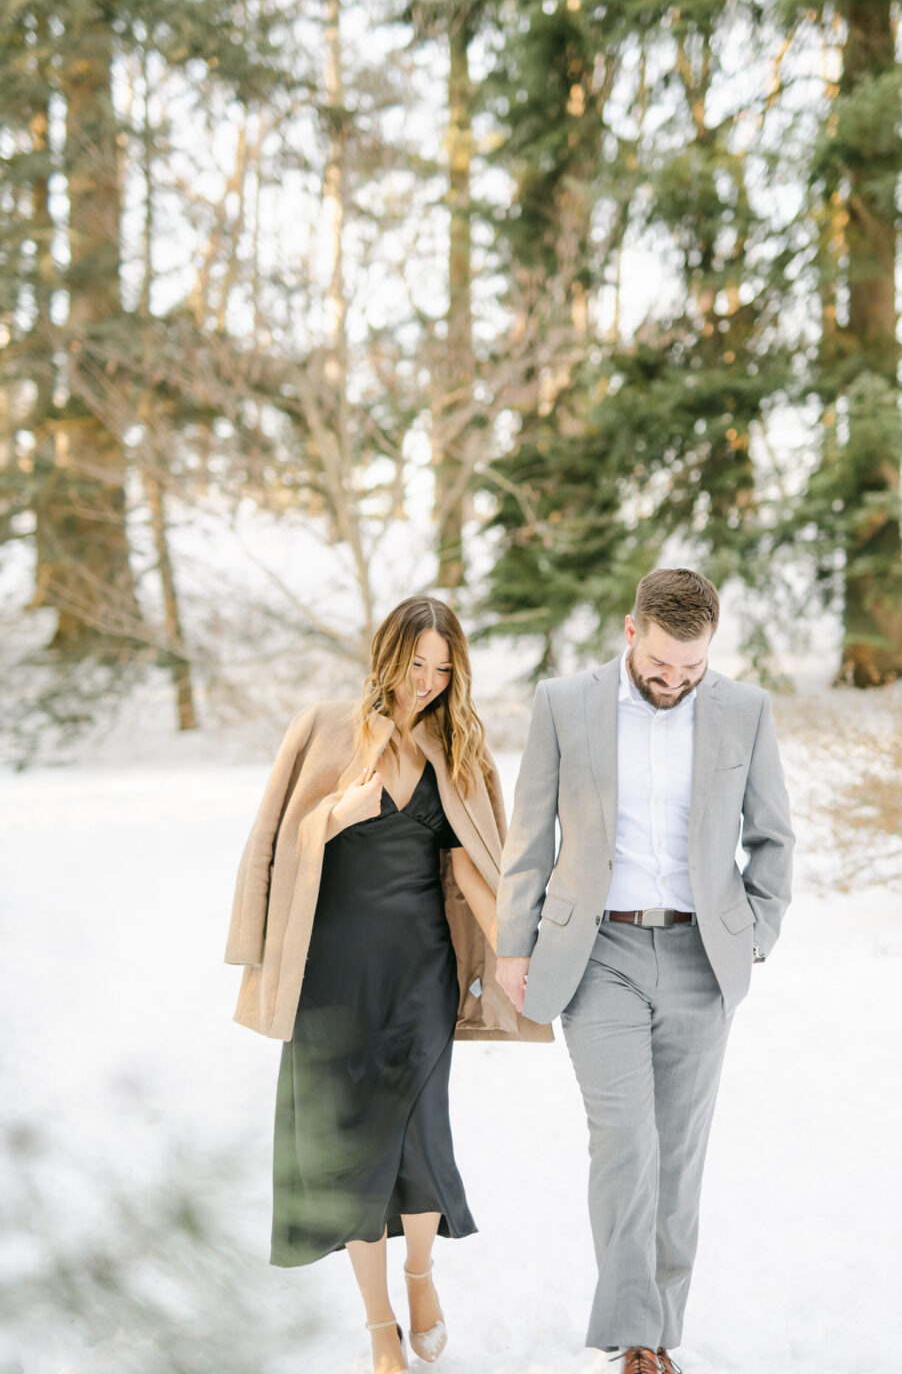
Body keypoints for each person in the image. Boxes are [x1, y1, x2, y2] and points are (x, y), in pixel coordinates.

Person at [225, 595, 551, 1374]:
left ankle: (420, 1274)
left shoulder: (460, 748)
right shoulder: (323, 727)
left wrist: (519, 954)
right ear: (388, 656)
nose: (429, 683)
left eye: (444, 670)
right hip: (329, 977)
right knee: (352, 1152)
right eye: (418, 666)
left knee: (420, 1134)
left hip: (420, 974)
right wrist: (340, 811)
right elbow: (275, 840)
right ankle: (380, 1328)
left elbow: (477, 864)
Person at [495, 568, 794, 1374]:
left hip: (704, 959)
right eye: (662, 665)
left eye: (690, 670)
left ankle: (658, 1331)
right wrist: (514, 945)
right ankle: (632, 1335)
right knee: (626, 1142)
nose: (674, 682)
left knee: (679, 1151)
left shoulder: (745, 711)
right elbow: (528, 838)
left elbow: (773, 838)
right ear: (632, 632)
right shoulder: (565, 704)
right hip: (600, 956)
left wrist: (756, 930)